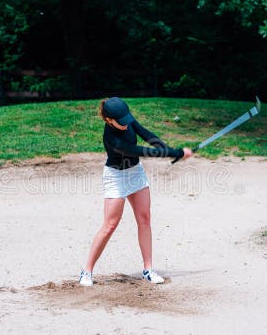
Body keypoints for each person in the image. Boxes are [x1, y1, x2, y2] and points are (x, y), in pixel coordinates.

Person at [79, 97, 193, 286]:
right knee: (110, 224)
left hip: (135, 174)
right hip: (116, 177)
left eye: (126, 119)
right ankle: (86, 271)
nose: (126, 124)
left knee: (144, 218)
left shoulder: (125, 119)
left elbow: (147, 134)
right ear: (109, 120)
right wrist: (177, 153)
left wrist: (166, 148)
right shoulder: (113, 139)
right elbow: (142, 150)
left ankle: (148, 270)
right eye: (121, 122)